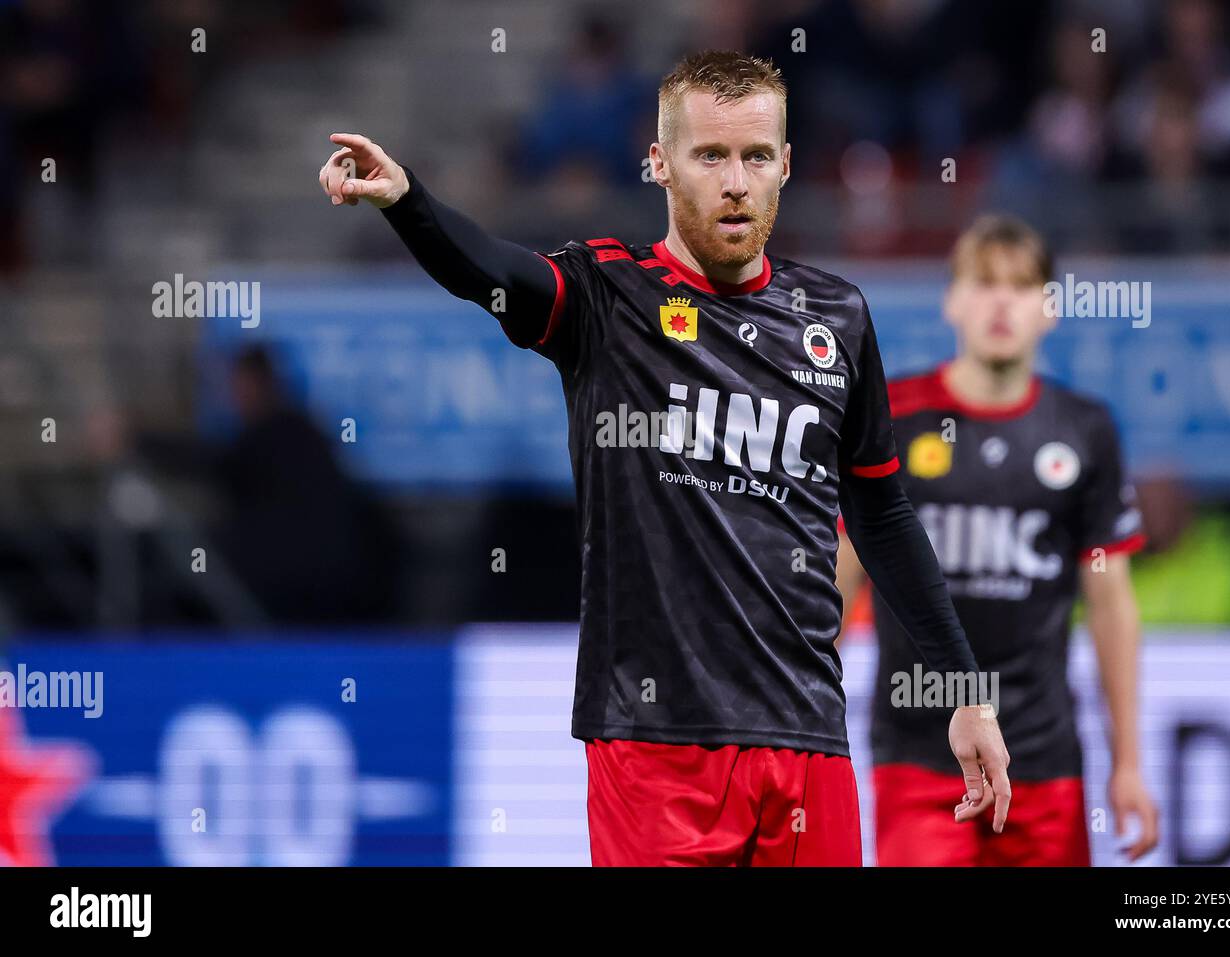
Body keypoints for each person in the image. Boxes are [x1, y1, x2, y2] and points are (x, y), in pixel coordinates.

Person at [318, 50, 1010, 866]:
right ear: (658, 163)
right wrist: (408, 202)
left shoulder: (838, 319)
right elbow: (491, 270)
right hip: (654, 749)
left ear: (786, 164)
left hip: (805, 741)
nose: (735, 182)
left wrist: (964, 689)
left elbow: (883, 513)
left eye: (756, 156)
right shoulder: (607, 299)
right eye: (709, 155)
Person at [837, 214, 1159, 865]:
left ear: (1049, 308)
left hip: (1043, 757)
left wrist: (1128, 762)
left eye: (1020, 286)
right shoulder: (892, 417)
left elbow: (1110, 606)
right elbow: (837, 581)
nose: (1001, 303)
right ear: (953, 300)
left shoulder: (1085, 430)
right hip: (919, 756)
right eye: (983, 284)